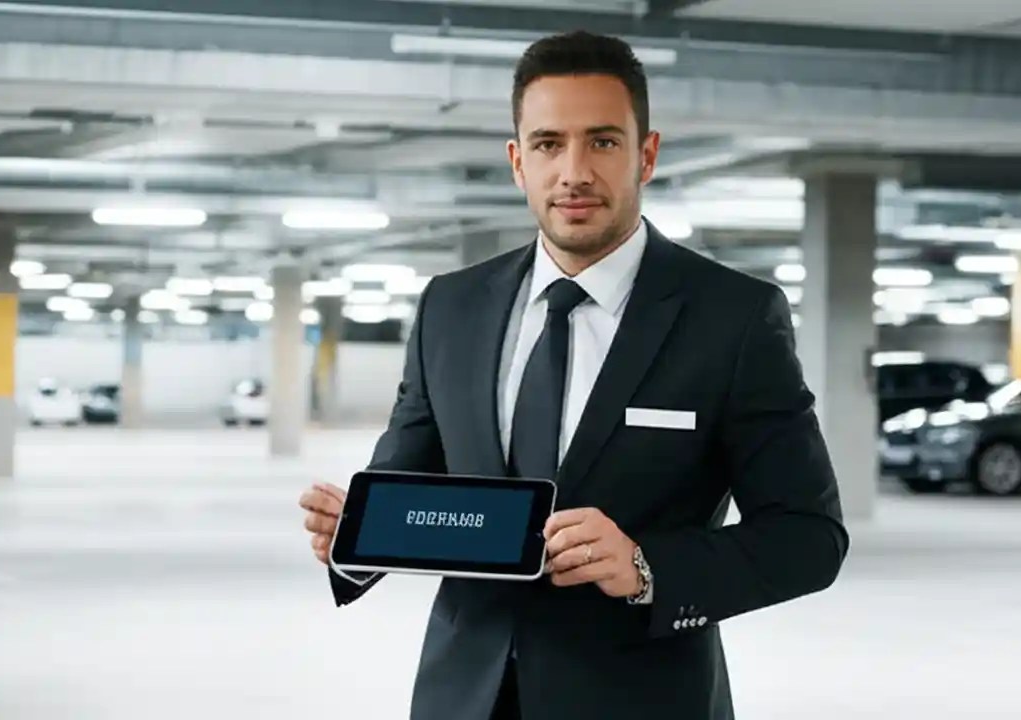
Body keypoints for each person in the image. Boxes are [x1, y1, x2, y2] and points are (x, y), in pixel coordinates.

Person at [299, 30, 849, 720]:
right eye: (548, 144)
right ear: (517, 161)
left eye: (603, 142)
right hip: (462, 698)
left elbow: (808, 537)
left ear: (647, 154)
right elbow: (406, 482)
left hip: (641, 701)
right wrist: (354, 538)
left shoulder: (732, 318)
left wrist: (646, 567)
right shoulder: (452, 307)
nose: (574, 172)